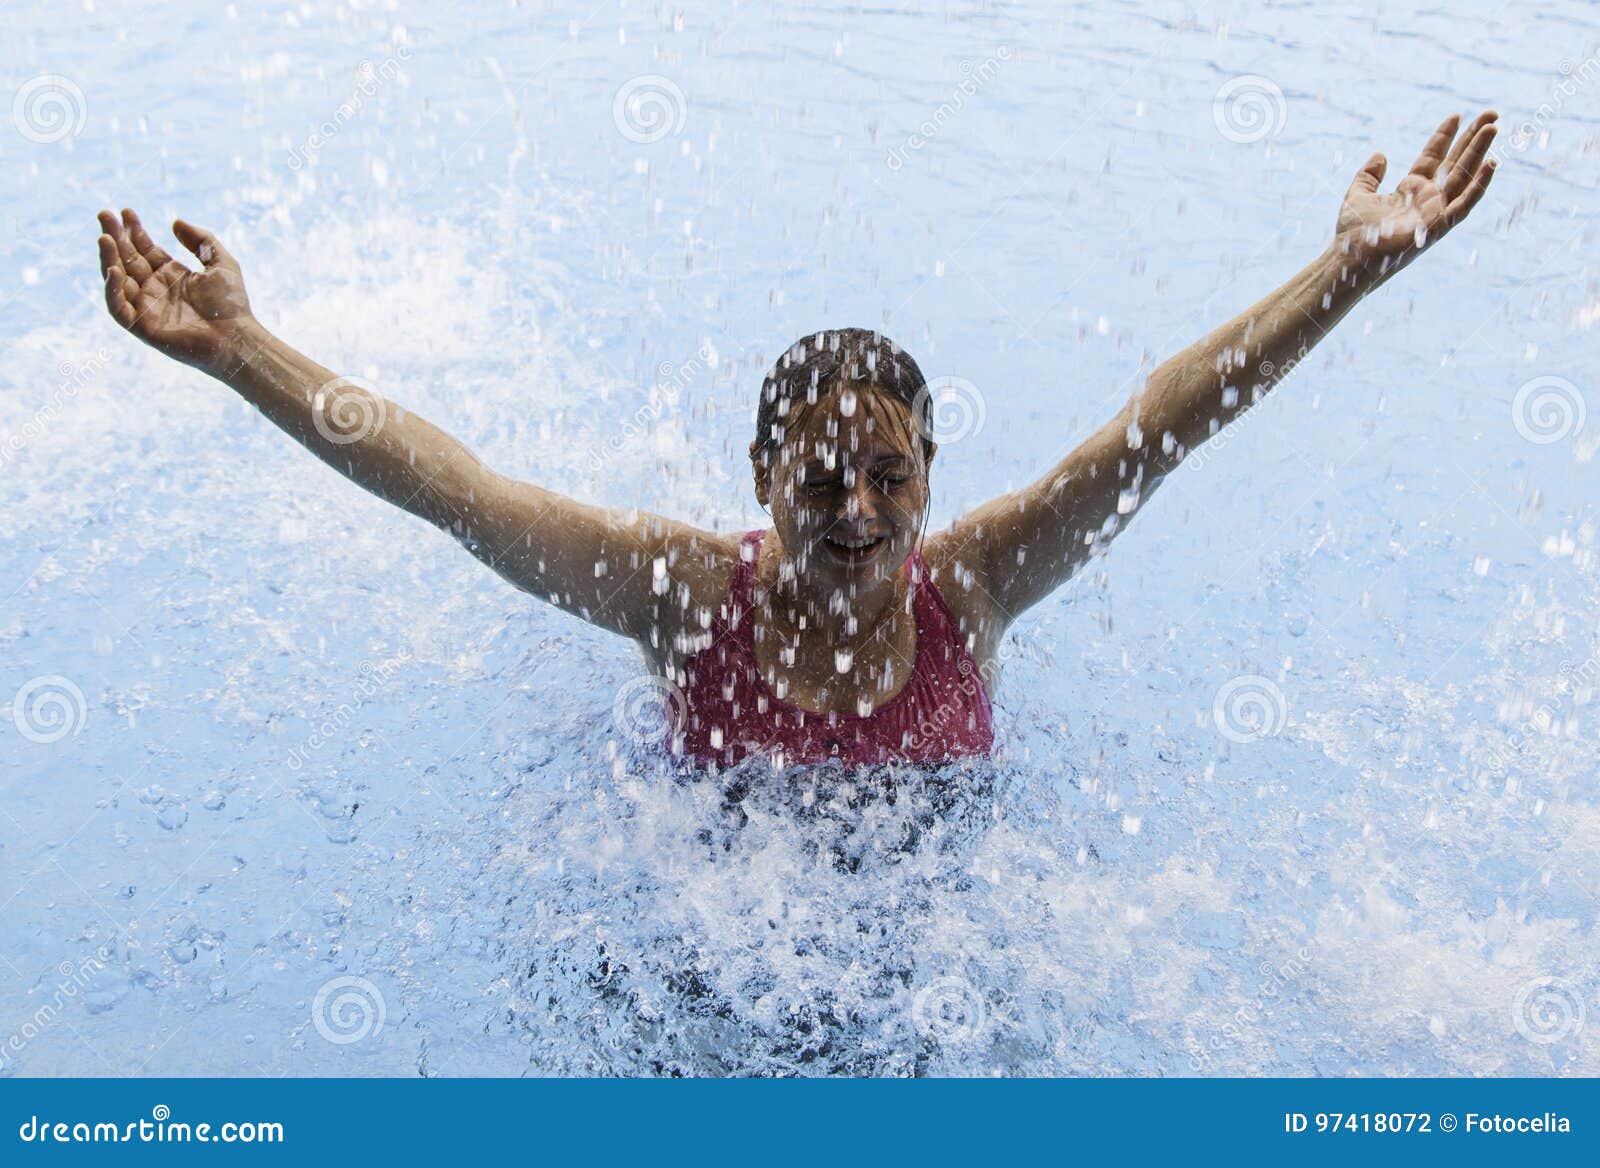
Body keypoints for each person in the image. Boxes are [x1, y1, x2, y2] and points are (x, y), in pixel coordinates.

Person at [95, 111, 1499, 770]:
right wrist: (244, 355)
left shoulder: (980, 582)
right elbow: (459, 490)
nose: (860, 511)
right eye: (820, 477)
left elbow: (1165, 427)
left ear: (930, 479)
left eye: (890, 475)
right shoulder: (684, 592)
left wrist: (1350, 272)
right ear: (760, 483)